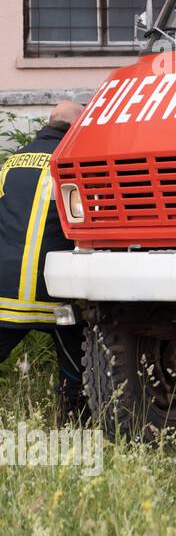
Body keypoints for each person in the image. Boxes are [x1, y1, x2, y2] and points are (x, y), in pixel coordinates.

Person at [0, 101, 86, 421]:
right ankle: (72, 419)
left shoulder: (11, 163)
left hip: (6, 291)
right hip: (55, 292)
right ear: (76, 130)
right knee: (76, 363)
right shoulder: (71, 163)